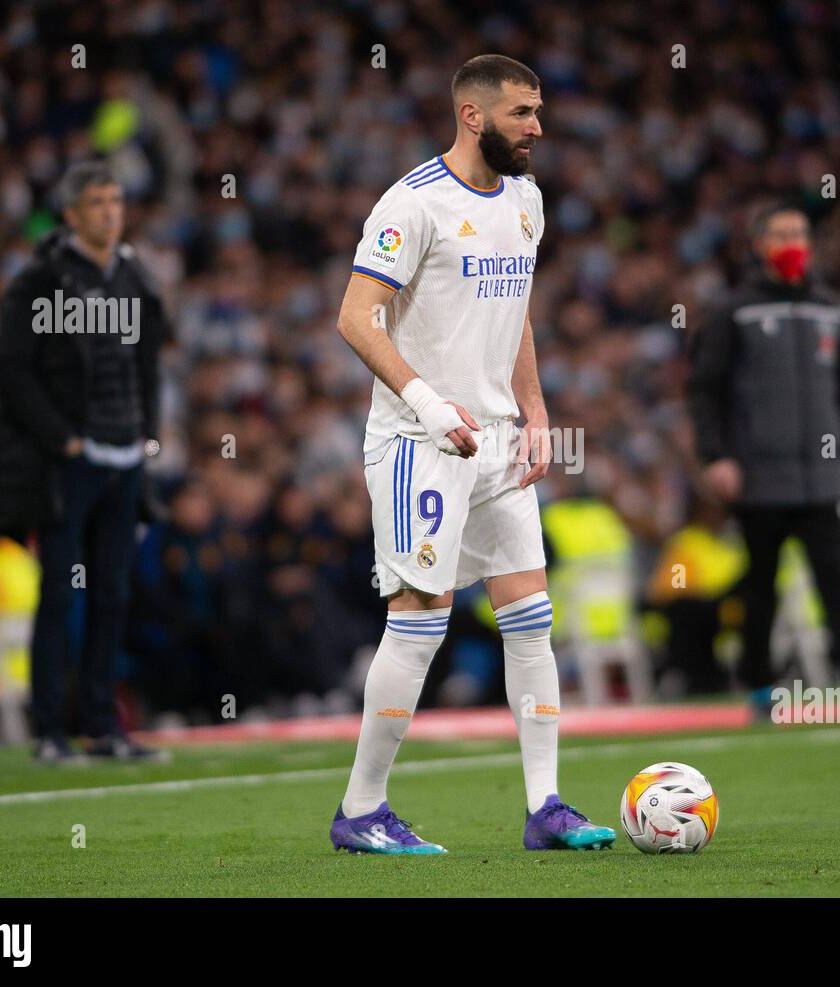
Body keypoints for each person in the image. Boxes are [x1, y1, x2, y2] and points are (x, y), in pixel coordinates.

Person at [330, 54, 614, 854]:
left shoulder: (525, 200)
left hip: (497, 440)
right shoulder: (413, 203)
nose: (537, 128)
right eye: (522, 112)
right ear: (472, 115)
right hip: (419, 442)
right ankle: (360, 809)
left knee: (531, 617)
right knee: (420, 619)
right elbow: (355, 316)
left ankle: (546, 806)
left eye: (538, 111)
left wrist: (535, 409)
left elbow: (513, 310)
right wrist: (427, 402)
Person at [0, 161, 170, 762]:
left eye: (116, 200)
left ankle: (102, 728)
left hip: (124, 456)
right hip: (69, 463)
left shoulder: (134, 276)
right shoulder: (41, 280)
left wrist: (148, 436)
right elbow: (9, 368)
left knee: (112, 594)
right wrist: (61, 439)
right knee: (60, 596)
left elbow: (148, 365)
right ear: (70, 214)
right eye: (97, 202)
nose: (110, 212)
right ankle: (49, 731)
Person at [689, 203, 840, 717]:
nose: (792, 243)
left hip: (821, 476)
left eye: (799, 233)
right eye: (780, 234)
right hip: (759, 475)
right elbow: (704, 390)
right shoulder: (733, 311)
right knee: (761, 585)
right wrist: (716, 456)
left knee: (833, 577)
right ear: (758, 245)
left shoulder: (830, 309)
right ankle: (757, 682)